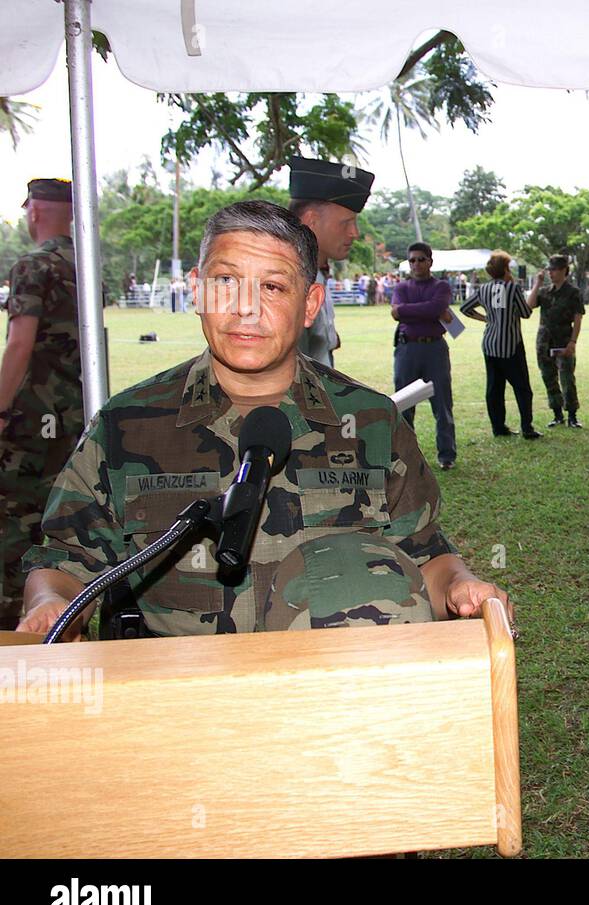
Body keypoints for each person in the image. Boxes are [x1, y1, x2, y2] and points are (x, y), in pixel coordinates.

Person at [16, 200, 511, 639]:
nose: (246, 308)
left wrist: (460, 586)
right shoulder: (127, 425)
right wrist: (48, 602)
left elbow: (426, 555)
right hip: (179, 705)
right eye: (225, 282)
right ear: (196, 290)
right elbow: (62, 562)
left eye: (273, 287)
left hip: (337, 701)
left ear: (311, 305)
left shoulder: (371, 421)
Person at [0, 178, 82, 629]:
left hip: (31, 419)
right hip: (74, 417)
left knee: (16, 522)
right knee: (59, 514)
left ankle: (18, 616)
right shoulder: (84, 264)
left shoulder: (34, 265)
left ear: (33, 210)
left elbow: (19, 345)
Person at [287, 155, 375, 368]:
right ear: (311, 221)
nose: (355, 233)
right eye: (346, 222)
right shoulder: (290, 282)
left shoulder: (314, 275)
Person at [460, 252, 540, 439]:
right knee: (522, 388)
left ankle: (498, 427)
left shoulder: (484, 289)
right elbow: (525, 312)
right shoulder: (512, 288)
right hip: (511, 345)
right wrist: (535, 285)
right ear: (505, 269)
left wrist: (486, 318)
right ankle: (527, 427)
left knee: (494, 388)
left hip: (489, 344)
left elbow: (465, 308)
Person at [392, 242, 456, 469]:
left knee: (442, 405)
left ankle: (446, 455)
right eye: (412, 260)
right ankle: (406, 456)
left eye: (421, 259)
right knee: (404, 405)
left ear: (430, 261)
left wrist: (408, 311)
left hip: (435, 350)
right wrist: (428, 309)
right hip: (407, 350)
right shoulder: (401, 287)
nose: (416, 264)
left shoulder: (442, 286)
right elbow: (396, 313)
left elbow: (435, 308)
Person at [527, 253, 584, 429]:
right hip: (544, 342)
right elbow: (529, 306)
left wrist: (573, 342)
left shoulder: (573, 292)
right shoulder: (544, 292)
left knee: (567, 378)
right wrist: (537, 283)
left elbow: (578, 318)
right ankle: (557, 414)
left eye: (554, 270)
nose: (550, 273)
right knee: (548, 378)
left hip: (563, 340)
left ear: (563, 270)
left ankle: (572, 415)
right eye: (549, 269)